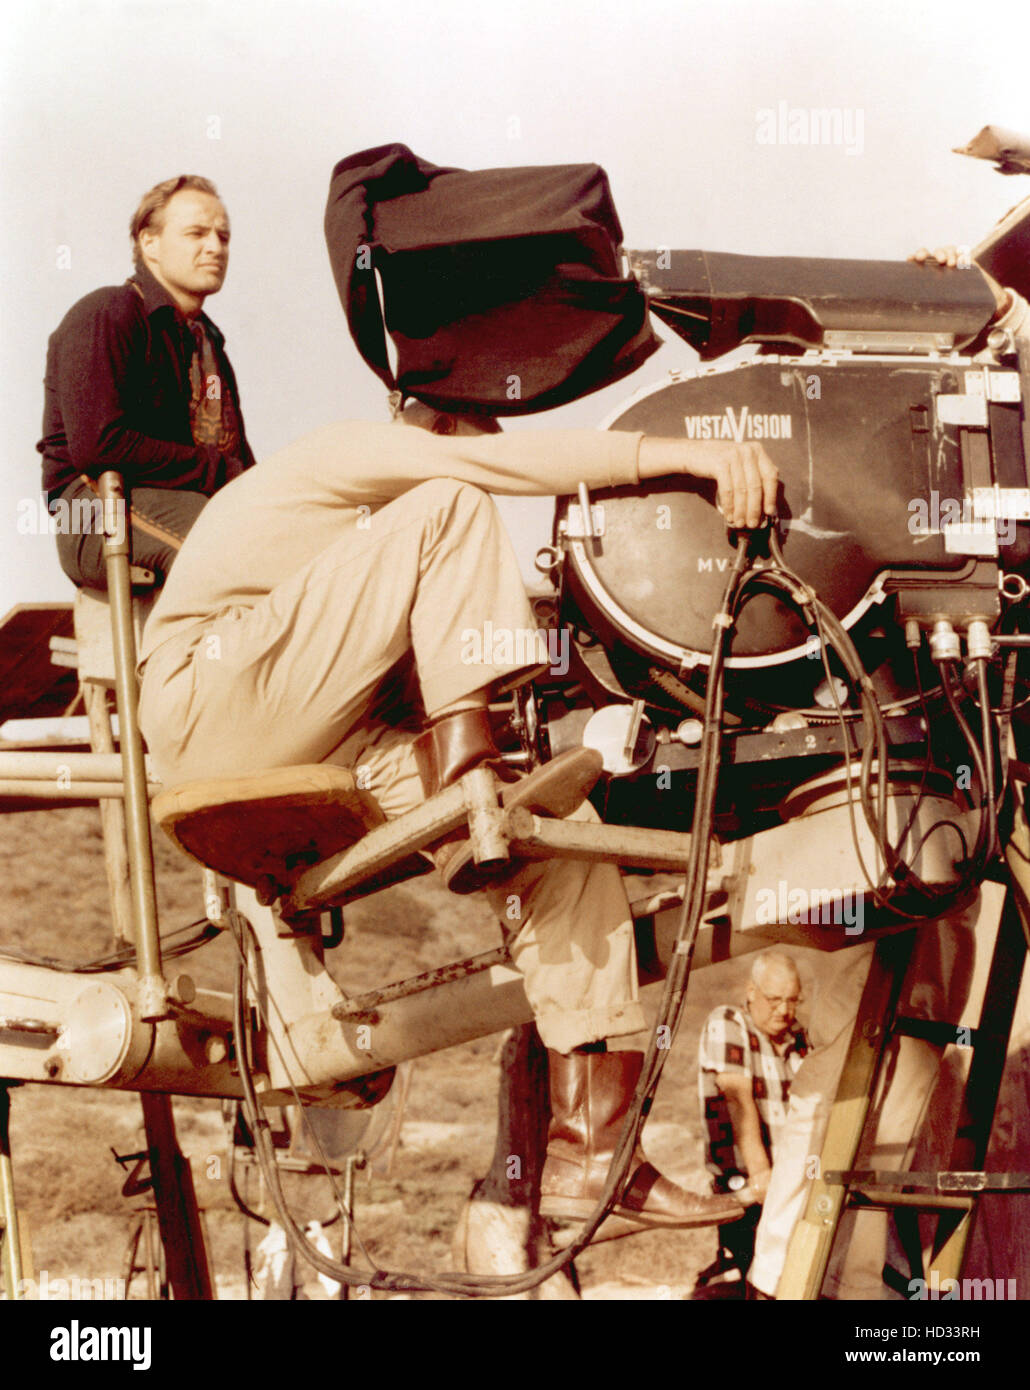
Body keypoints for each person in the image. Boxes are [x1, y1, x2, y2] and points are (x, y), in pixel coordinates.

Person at [136, 408, 778, 1229]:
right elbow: (524, 468)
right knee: (454, 503)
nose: (488, 463)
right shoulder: (352, 448)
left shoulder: (357, 585)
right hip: (207, 700)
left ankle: (594, 1158)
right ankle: (467, 772)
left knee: (560, 835)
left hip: (315, 743)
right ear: (427, 425)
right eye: (476, 443)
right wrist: (696, 456)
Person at [37, 175, 255, 590]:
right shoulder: (107, 313)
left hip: (186, 500)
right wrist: (221, 471)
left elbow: (239, 463)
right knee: (233, 551)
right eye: (197, 233)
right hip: (90, 508)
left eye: (223, 236)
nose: (215, 247)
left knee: (298, 544)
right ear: (149, 243)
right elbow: (101, 445)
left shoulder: (206, 342)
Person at [693, 951, 808, 1296]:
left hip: (790, 1184)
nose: (784, 1011)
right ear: (751, 991)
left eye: (792, 1001)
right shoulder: (729, 1022)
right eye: (774, 1000)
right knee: (759, 1279)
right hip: (746, 1184)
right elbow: (738, 1100)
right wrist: (761, 1177)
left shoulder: (799, 1039)